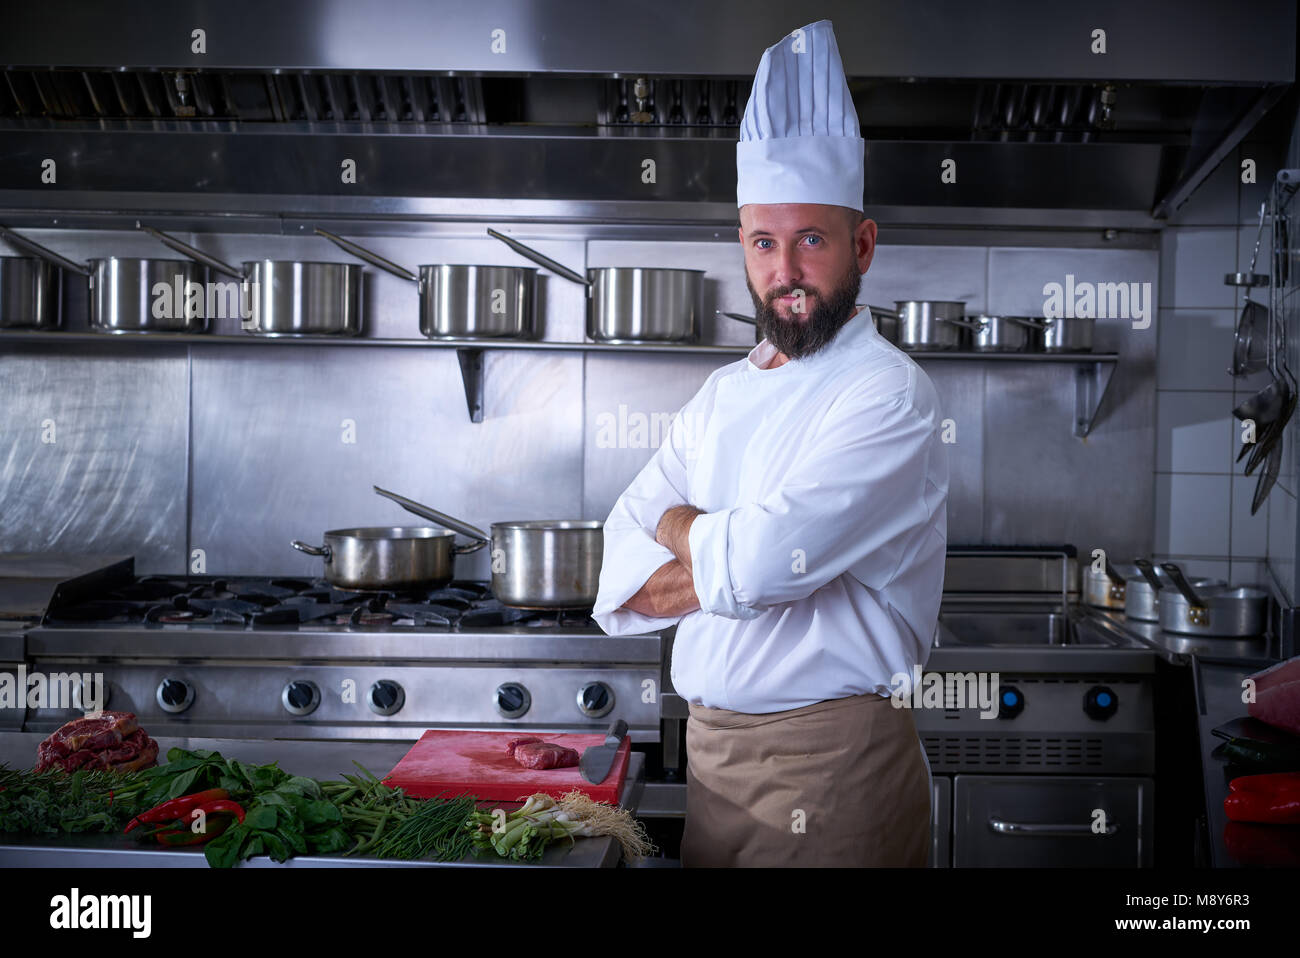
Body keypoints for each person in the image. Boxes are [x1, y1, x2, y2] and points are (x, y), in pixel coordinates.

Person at [592, 19, 949, 867]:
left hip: (833, 777)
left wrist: (681, 524)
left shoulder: (888, 393)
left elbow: (755, 566)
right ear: (744, 250)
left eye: (811, 241)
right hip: (714, 768)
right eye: (764, 243)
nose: (785, 272)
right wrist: (721, 550)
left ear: (862, 245)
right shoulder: (724, 392)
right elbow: (618, 554)